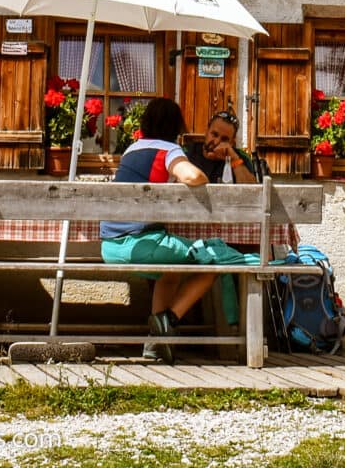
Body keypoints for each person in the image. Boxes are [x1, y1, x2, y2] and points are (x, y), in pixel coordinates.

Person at [100, 96, 218, 364]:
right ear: (176, 126)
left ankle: (155, 345)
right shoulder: (169, 149)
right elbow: (193, 177)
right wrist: (204, 175)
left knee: (171, 272)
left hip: (110, 247)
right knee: (212, 262)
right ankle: (168, 320)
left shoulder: (132, 149)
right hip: (140, 244)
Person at [183, 107, 257, 185]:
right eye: (214, 134)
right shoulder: (187, 152)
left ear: (232, 142)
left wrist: (233, 159)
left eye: (224, 139)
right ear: (206, 131)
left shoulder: (241, 158)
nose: (217, 142)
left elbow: (252, 191)